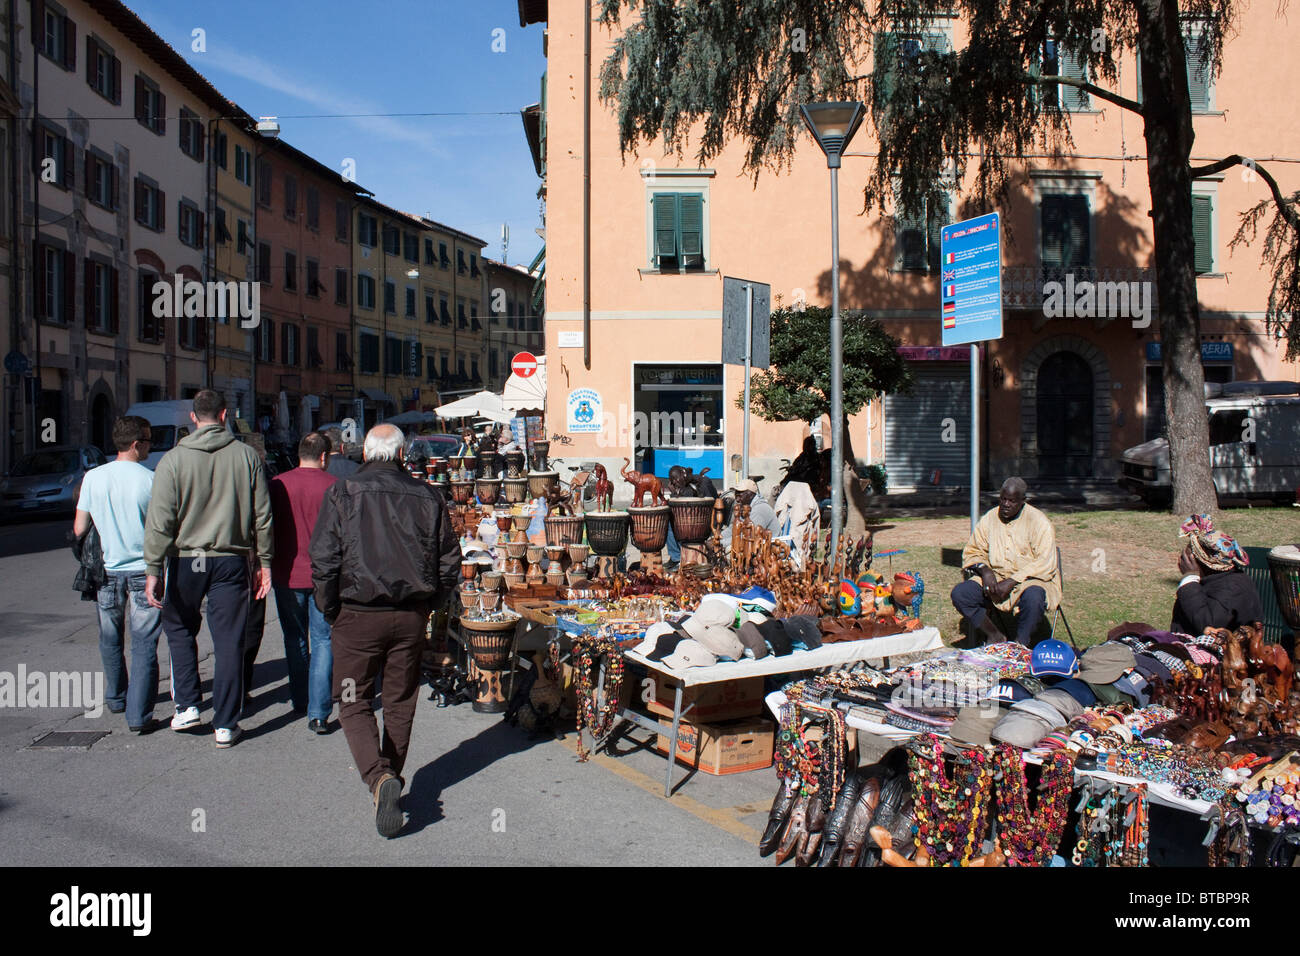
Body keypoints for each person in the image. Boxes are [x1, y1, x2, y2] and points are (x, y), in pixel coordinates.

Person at [310, 424, 460, 837]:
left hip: (357, 614)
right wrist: (429, 605)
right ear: (400, 456)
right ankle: (388, 777)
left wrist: (329, 608)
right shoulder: (428, 496)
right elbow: (450, 562)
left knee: (352, 699)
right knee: (400, 699)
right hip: (409, 613)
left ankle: (379, 779)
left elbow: (323, 558)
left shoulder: (343, 492)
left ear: (365, 455)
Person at [144, 390, 273, 749]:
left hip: (187, 558)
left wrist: (153, 568)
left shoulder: (173, 460)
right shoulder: (247, 456)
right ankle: (226, 723)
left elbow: (160, 520)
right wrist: (265, 563)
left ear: (193, 418)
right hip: (231, 558)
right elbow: (263, 516)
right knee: (230, 639)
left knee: (180, 626)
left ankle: (186, 705)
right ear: (225, 414)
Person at [73, 416, 162, 733]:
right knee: (144, 643)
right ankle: (138, 715)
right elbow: (160, 529)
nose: (150, 447)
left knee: (110, 636)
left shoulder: (93, 478)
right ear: (137, 444)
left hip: (106, 570)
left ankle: (116, 696)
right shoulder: (150, 480)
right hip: (144, 570)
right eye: (149, 441)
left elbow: (79, 528)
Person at [270, 432, 338, 733]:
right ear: (324, 456)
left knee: (294, 637)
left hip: (287, 573)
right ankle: (319, 712)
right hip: (324, 575)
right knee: (324, 639)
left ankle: (299, 698)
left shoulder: (277, 484)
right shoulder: (335, 486)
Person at [951, 477, 1060, 646]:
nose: (1006, 504)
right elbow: (973, 550)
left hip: (1030, 580)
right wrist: (986, 571)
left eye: (1012, 501)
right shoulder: (990, 518)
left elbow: (1045, 563)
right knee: (961, 594)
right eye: (1003, 499)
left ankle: (1020, 644)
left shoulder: (1039, 522)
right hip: (996, 577)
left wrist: (1012, 581)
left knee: (1034, 597)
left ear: (1023, 501)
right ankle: (995, 636)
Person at [1171, 514, 1262, 634]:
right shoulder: (1210, 580)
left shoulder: (1234, 588)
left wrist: (1190, 580)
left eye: (1187, 558)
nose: (1182, 561)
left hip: (1222, 650)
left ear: (1206, 563)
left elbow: (1210, 628)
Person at [665, 465, 718, 568]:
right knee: (669, 520)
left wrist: (676, 493)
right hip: (695, 521)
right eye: (672, 481)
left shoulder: (703, 482)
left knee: (676, 525)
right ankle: (676, 557)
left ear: (684, 475)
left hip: (708, 522)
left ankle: (679, 558)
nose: (674, 483)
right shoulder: (687, 486)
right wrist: (675, 494)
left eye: (675, 479)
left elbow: (688, 503)